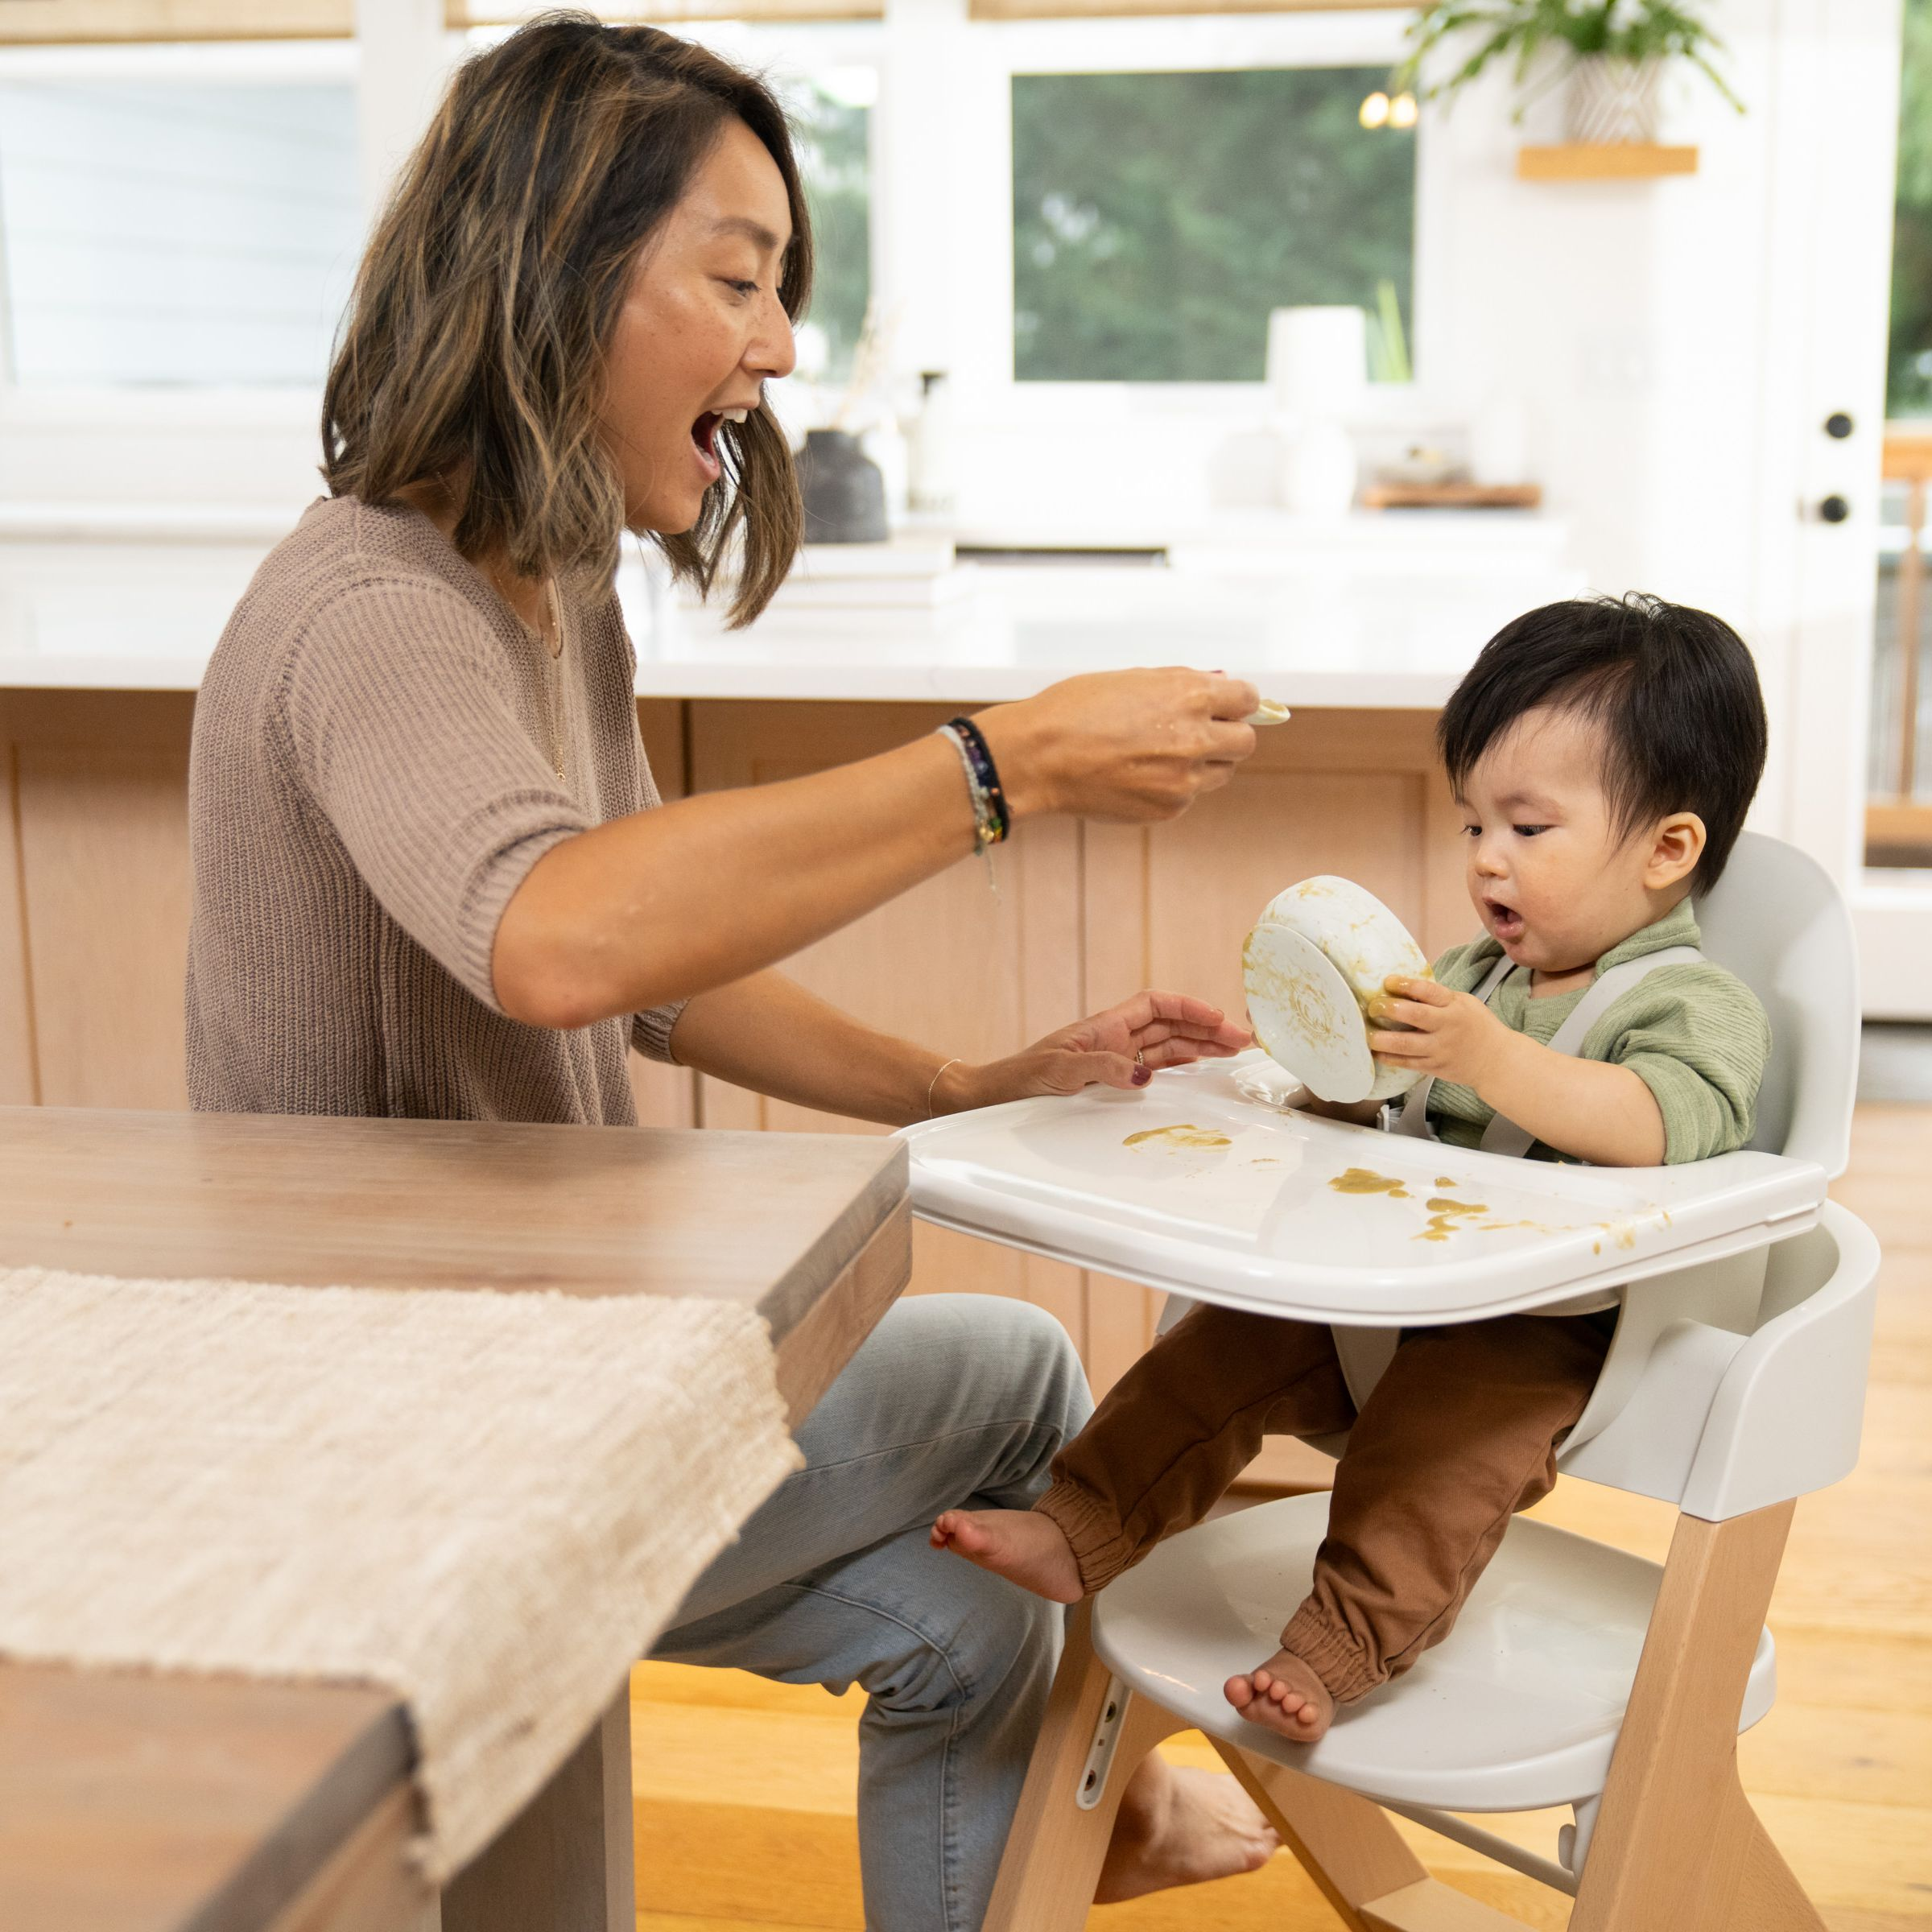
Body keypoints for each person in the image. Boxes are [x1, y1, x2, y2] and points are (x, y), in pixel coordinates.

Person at [184, 15, 1278, 1926]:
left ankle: (1078, 1816)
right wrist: (997, 768)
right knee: (1016, 1370)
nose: (778, 349)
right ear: (557, 261)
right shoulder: (373, 611)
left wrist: (965, 1082)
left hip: (529, 1364)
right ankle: (1115, 1805)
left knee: (962, 1615)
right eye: (742, 278)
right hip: (388, 1429)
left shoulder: (545, 584)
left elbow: (643, 966)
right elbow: (558, 937)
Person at [934, 591, 1773, 1744]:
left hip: (1546, 1326)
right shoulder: (1470, 973)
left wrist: (1496, 1057)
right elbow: (1395, 1115)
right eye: (1472, 825)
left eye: (1529, 830)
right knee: (1216, 1345)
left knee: (1440, 1458)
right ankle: (1083, 1518)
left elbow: (1667, 1126)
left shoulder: (1694, 1002)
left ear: (1669, 849)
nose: (1487, 860)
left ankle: (1339, 1643)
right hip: (1386, 1285)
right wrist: (1323, 1065)